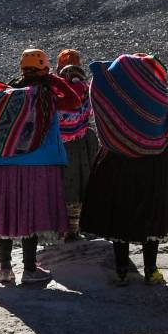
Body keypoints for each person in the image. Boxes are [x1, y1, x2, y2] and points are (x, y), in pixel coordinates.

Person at [0, 49, 83, 284]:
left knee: (6, 216)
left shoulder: (9, 92)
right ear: (44, 68)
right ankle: (30, 270)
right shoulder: (45, 94)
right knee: (29, 217)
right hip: (36, 163)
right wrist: (51, 77)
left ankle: (4, 270)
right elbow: (73, 102)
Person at [81, 53, 168, 285]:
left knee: (119, 212)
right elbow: (166, 121)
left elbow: (97, 95)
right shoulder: (155, 88)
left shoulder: (106, 89)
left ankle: (121, 270)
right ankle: (151, 270)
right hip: (156, 160)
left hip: (116, 160)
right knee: (151, 212)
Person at [54, 49, 99, 242]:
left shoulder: (56, 89)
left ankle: (63, 230)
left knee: (63, 188)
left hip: (59, 145)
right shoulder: (86, 87)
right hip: (84, 141)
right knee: (84, 184)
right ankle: (79, 227)